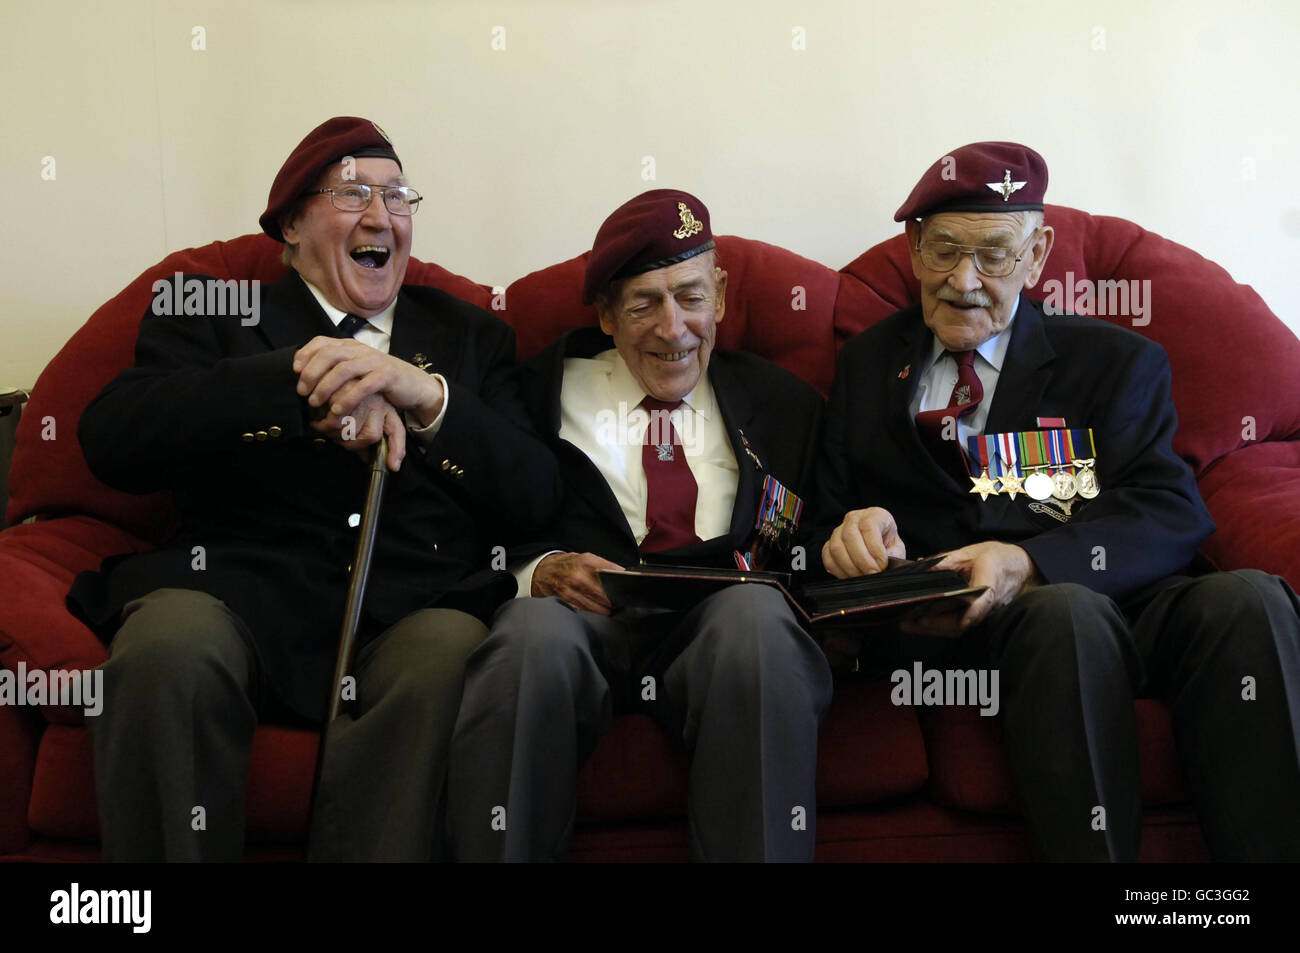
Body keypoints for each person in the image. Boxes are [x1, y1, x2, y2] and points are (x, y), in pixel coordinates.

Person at [71, 116, 561, 861]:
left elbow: (537, 494)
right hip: (235, 597)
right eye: (352, 193)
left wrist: (426, 397)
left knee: (451, 647)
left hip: (413, 607)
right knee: (166, 647)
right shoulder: (214, 310)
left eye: (398, 198)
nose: (380, 216)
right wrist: (297, 383)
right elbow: (112, 438)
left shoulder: (470, 336)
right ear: (292, 225)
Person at [813, 140, 1300, 861]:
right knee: (1063, 613)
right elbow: (821, 518)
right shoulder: (865, 365)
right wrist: (852, 531)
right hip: (961, 631)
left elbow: (1170, 508)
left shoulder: (1114, 360)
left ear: (1037, 255)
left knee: (1251, 598)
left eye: (995, 256)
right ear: (914, 250)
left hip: (1125, 602)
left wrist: (1028, 559)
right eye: (944, 251)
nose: (964, 281)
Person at [447, 189, 832, 861]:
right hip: (583, 621)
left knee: (758, 622)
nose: (674, 327)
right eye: (643, 304)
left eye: (690, 297)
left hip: (720, 628)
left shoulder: (785, 403)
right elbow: (480, 520)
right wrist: (542, 571)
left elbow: (824, 541)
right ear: (604, 314)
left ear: (719, 292)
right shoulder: (534, 391)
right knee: (530, 633)